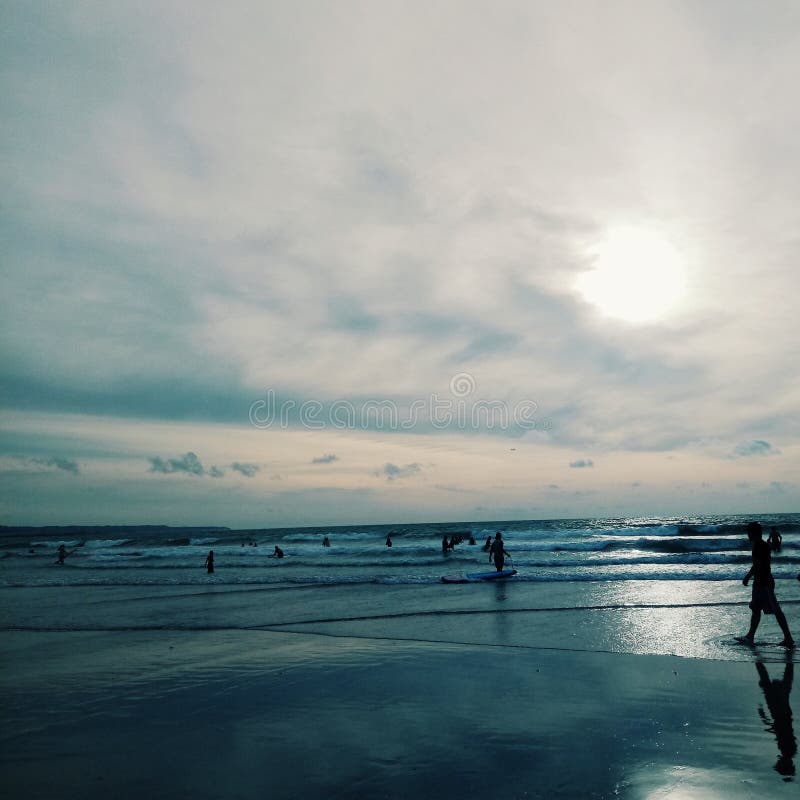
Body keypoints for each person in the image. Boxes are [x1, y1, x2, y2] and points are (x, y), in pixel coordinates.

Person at [737, 521, 794, 647]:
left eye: (748, 533)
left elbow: (758, 564)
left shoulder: (759, 545)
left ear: (752, 533)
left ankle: (788, 638)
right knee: (756, 609)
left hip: (764, 583)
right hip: (761, 582)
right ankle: (750, 636)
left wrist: (748, 576)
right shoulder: (761, 545)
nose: (748, 536)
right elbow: (758, 564)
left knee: (775, 610)